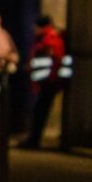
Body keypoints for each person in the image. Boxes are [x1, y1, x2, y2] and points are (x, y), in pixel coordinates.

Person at [21, 13, 72, 148]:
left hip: (48, 82)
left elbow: (51, 61)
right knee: (40, 111)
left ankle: (33, 140)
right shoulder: (50, 37)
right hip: (49, 81)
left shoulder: (48, 39)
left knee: (39, 112)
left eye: (35, 27)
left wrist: (34, 70)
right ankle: (33, 139)